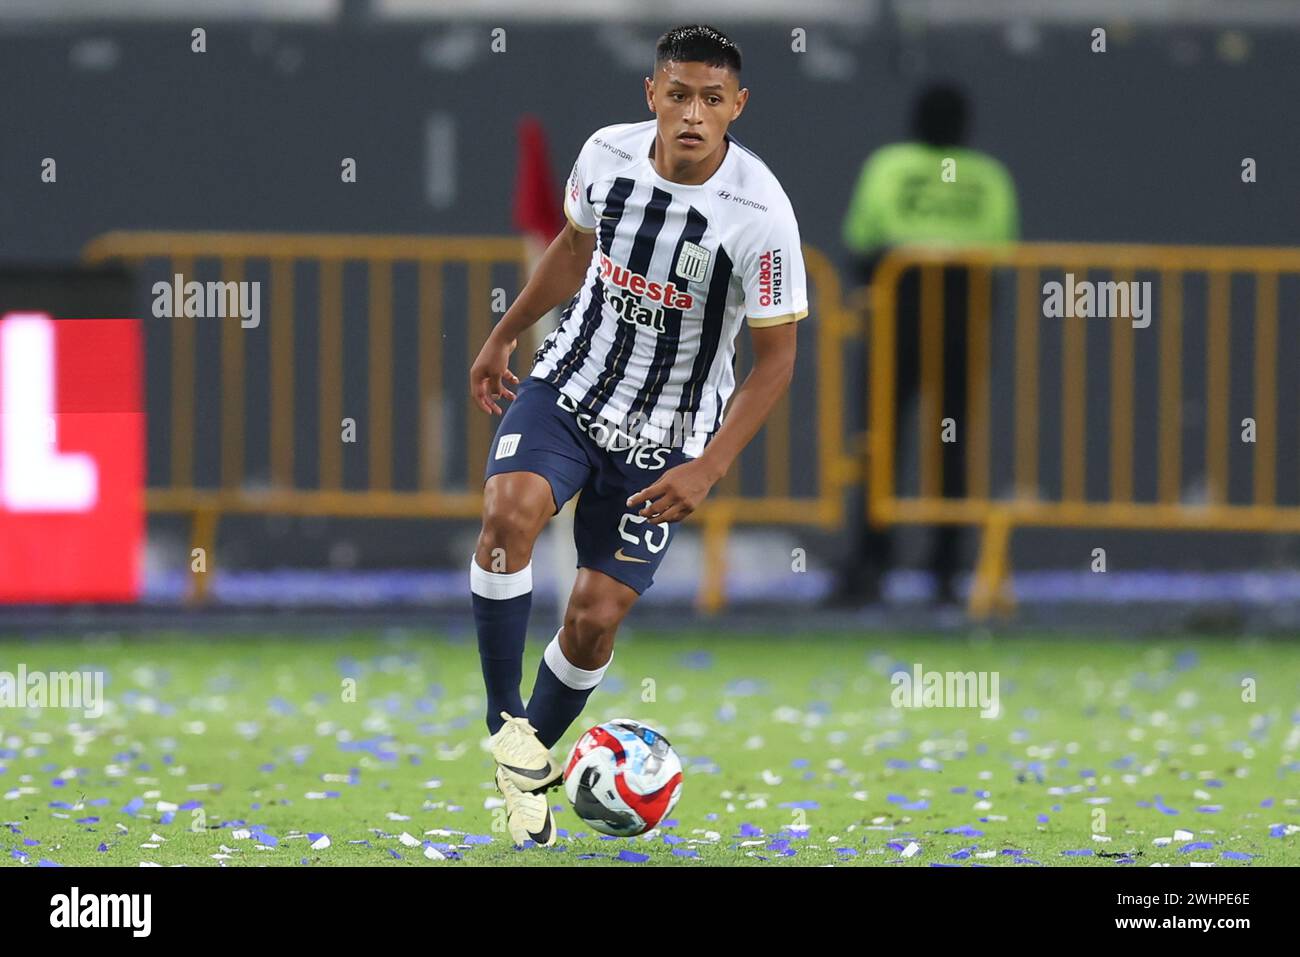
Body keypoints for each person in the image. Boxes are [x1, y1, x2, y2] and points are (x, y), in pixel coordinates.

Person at [467, 24, 807, 846]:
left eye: (712, 100)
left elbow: (776, 362)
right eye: (679, 94)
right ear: (652, 94)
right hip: (572, 386)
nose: (694, 114)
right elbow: (574, 249)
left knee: (593, 616)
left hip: (669, 429)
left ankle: (527, 772)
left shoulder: (760, 214)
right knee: (509, 514)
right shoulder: (606, 156)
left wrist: (709, 468)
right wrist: (505, 333)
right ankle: (505, 719)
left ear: (738, 108)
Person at [835, 82, 1019, 606]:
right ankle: (945, 571)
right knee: (953, 445)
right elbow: (1000, 257)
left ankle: (870, 565)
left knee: (877, 443)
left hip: (897, 310)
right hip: (960, 316)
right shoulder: (988, 177)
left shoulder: (889, 167)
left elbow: (861, 243)